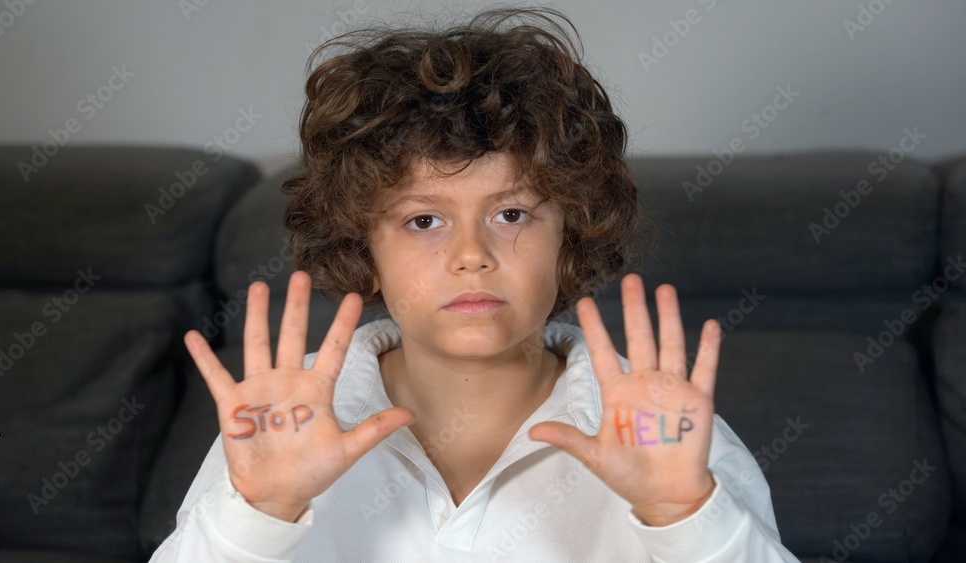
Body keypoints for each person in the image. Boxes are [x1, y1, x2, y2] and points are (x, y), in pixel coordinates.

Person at [150, 6, 800, 561]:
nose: (471, 255)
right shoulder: (280, 422)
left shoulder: (666, 428)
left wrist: (683, 514)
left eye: (511, 214)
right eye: (423, 219)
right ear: (362, 244)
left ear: (568, 236)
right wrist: (260, 510)